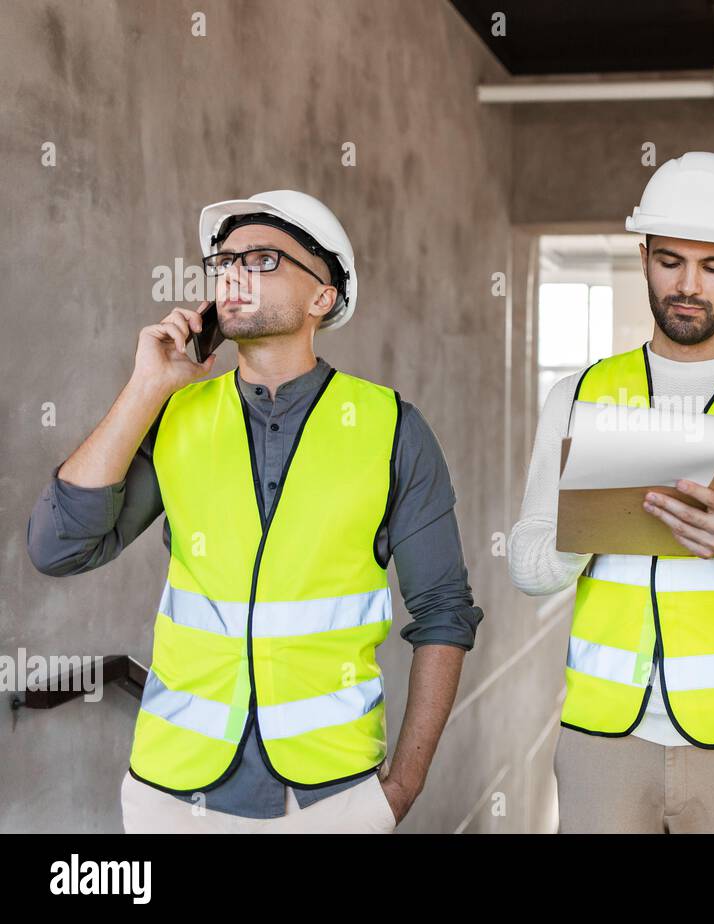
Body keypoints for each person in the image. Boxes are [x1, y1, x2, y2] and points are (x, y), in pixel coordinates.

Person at [27, 189, 482, 833]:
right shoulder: (175, 416)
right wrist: (145, 389)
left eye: (265, 259)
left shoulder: (392, 429)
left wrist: (401, 787)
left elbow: (443, 613)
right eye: (225, 260)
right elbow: (58, 548)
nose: (233, 272)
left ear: (322, 297)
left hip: (329, 801)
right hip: (172, 797)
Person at [509, 153, 714, 833]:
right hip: (602, 739)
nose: (689, 286)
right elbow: (528, 570)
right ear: (643, 257)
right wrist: (589, 520)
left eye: (713, 265)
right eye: (671, 262)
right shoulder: (577, 395)